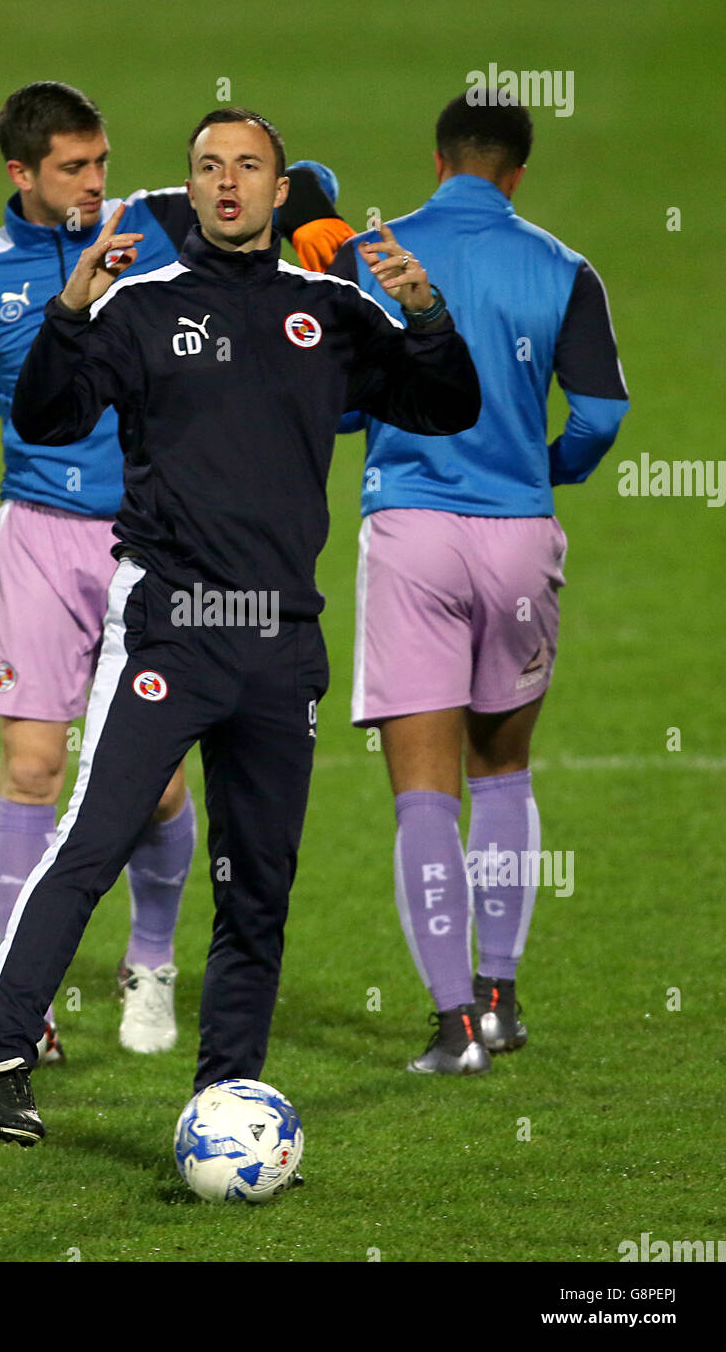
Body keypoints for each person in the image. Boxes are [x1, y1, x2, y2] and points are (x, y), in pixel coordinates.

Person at [0, 106, 480, 1145]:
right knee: (94, 838)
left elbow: (445, 405)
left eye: (248, 166)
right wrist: (68, 310)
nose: (228, 181)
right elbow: (48, 416)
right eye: (208, 167)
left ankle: (224, 1098)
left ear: (279, 192)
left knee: (256, 885)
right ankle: (3, 1058)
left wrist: (425, 319)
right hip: (169, 627)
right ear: (188, 190)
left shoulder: (328, 311)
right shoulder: (141, 306)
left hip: (280, 640)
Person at [0, 83, 342, 1059]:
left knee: (158, 792)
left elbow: (300, 186)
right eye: (72, 169)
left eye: (101, 161)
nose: (95, 184)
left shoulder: (158, 225)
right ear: (22, 174)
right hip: (43, 539)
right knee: (32, 766)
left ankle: (149, 958)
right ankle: (27, 1011)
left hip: (170, 556)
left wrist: (322, 228)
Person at [327, 92, 629, 1073]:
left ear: (435, 161)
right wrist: (545, 469)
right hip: (516, 536)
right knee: (501, 769)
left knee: (424, 793)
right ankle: (499, 998)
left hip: (408, 533)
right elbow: (596, 416)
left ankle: (451, 1026)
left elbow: (329, 404)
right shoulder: (561, 268)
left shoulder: (372, 258)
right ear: (515, 174)